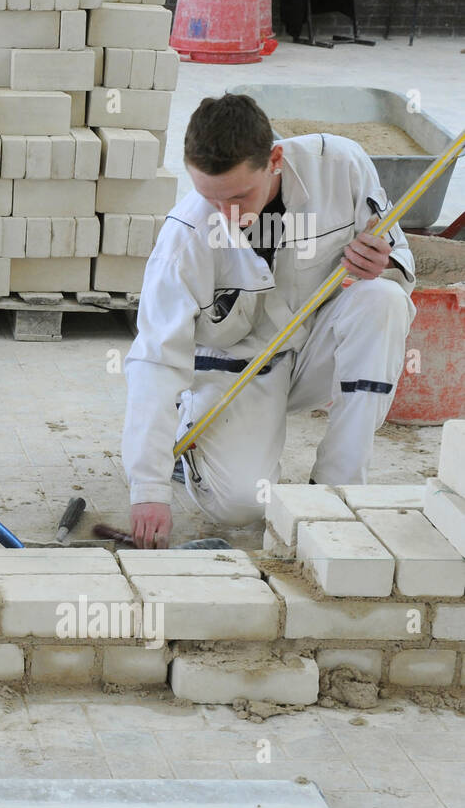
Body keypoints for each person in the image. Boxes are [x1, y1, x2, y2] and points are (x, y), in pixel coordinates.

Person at [123, 93, 415, 548]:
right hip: (238, 370)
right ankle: (193, 429)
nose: (228, 215)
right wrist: (148, 489)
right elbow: (156, 361)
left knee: (383, 300)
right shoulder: (185, 237)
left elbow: (398, 253)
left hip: (316, 352)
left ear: (274, 158)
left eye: (239, 195)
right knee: (242, 506)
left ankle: (338, 490)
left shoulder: (341, 166)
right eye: (210, 198)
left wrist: (385, 260)